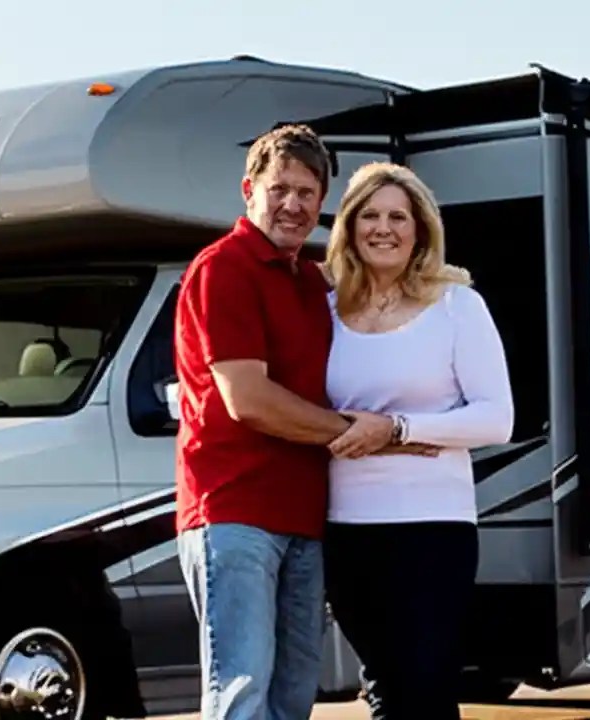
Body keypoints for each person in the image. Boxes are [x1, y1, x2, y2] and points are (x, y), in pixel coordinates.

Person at [172, 125, 398, 720]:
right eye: (280, 189)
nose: (294, 205)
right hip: (234, 513)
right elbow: (248, 399)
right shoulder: (223, 269)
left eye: (307, 193)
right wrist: (355, 429)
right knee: (243, 694)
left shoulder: (308, 281)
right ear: (249, 190)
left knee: (294, 697)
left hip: (305, 516)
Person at [319, 161, 515, 720]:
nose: (384, 228)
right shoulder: (326, 311)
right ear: (350, 228)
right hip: (347, 527)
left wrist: (401, 430)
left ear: (420, 229)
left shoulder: (457, 306)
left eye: (398, 217)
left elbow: (496, 419)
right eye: (370, 216)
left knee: (426, 682)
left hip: (433, 529)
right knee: (384, 683)